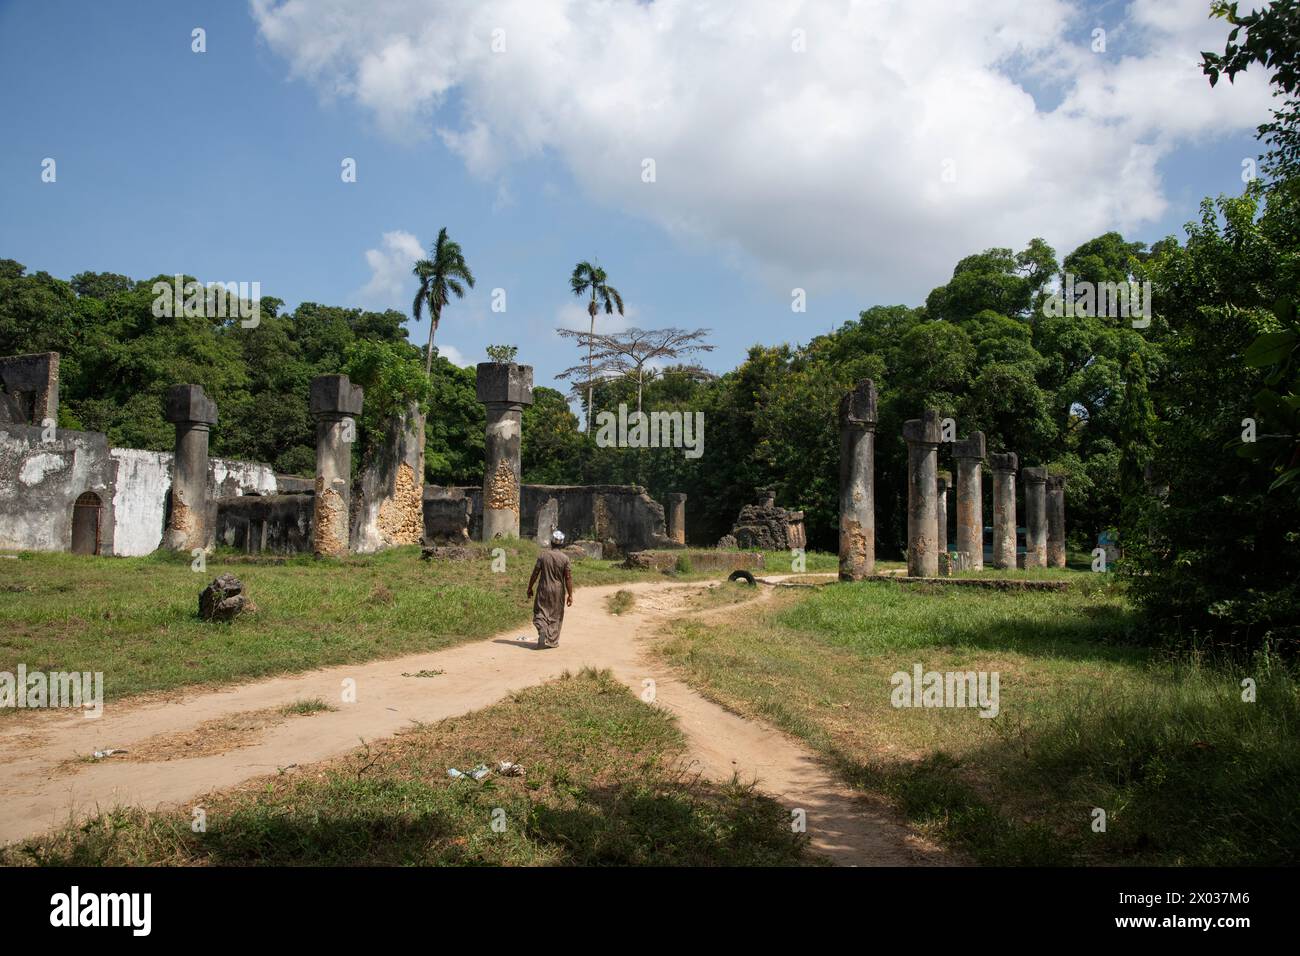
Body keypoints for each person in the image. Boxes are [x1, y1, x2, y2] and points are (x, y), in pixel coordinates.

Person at [527, 530, 574, 649]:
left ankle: (542, 629)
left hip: (543, 587)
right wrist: (570, 594)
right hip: (558, 591)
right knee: (556, 614)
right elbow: (568, 578)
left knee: (540, 611)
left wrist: (530, 587)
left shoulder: (543, 555)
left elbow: (535, 573)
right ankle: (551, 640)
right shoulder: (565, 559)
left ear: (551, 543)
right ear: (562, 544)